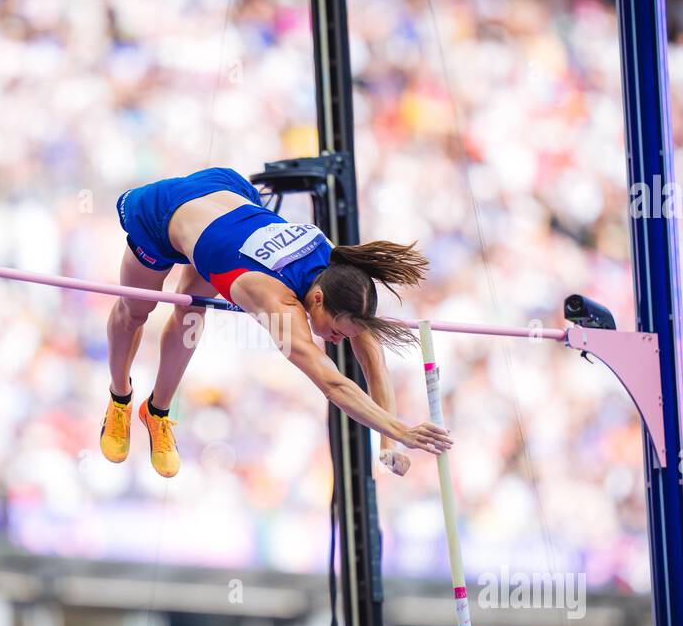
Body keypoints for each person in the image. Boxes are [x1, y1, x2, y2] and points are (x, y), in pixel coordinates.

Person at [100, 167, 453, 477]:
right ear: (317, 300)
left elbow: (373, 361)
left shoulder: (340, 273)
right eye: (334, 330)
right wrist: (402, 430)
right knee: (135, 312)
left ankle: (157, 411)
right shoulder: (278, 303)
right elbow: (333, 385)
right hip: (163, 213)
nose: (334, 339)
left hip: (227, 199)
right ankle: (120, 397)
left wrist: (388, 444)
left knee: (191, 311)